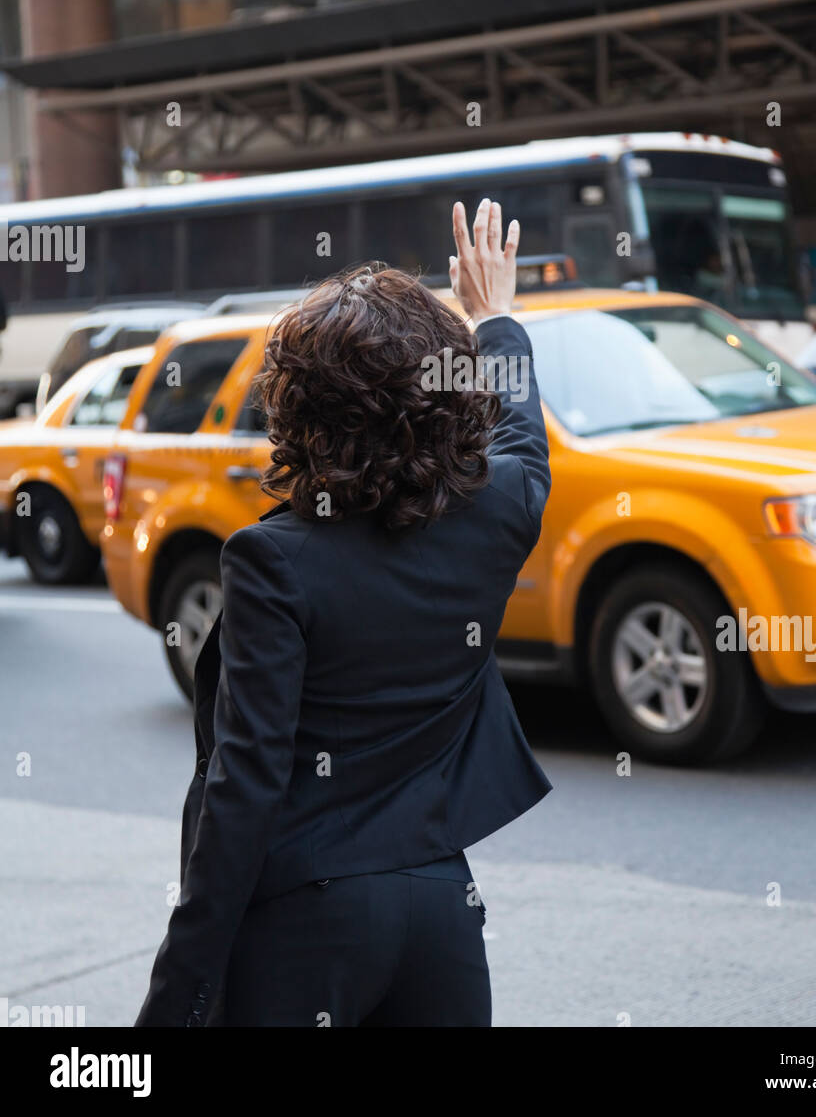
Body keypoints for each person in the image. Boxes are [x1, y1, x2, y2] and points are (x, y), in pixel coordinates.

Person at [135, 198, 552, 1027]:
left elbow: (242, 792)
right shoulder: (499, 511)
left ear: (299, 412)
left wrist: (177, 995)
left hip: (304, 929)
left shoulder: (273, 561)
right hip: (442, 912)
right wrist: (496, 318)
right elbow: (522, 444)